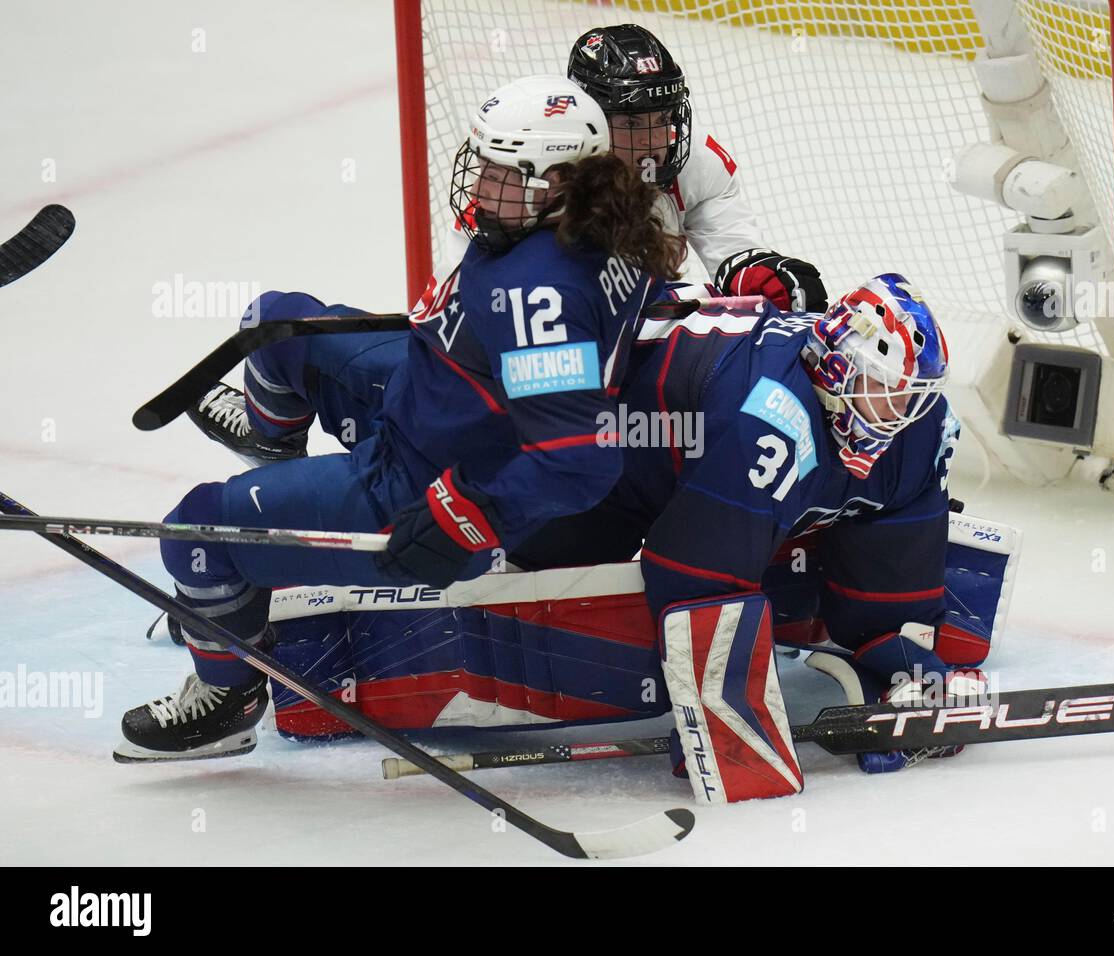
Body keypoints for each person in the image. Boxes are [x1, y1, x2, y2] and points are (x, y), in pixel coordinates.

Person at [115, 75, 679, 762]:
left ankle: (228, 695)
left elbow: (577, 458)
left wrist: (465, 514)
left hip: (413, 484)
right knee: (275, 323)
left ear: (558, 181)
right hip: (422, 385)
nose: (480, 185)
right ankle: (277, 486)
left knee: (194, 534)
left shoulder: (539, 298)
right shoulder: (606, 220)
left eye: (502, 171)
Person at [506, 275, 974, 796]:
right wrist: (719, 719)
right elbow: (694, 569)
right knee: (544, 554)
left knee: (876, 493)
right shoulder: (770, 417)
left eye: (912, 395)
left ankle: (887, 656)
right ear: (840, 367)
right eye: (886, 388)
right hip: (613, 444)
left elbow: (898, 522)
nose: (902, 412)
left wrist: (907, 661)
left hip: (707, 427)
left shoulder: (915, 424)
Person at [564, 23, 828, 314]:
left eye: (663, 118)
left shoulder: (695, 161)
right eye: (632, 123)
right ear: (589, 118)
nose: (653, 141)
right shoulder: (552, 171)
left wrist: (752, 272)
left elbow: (729, 247)